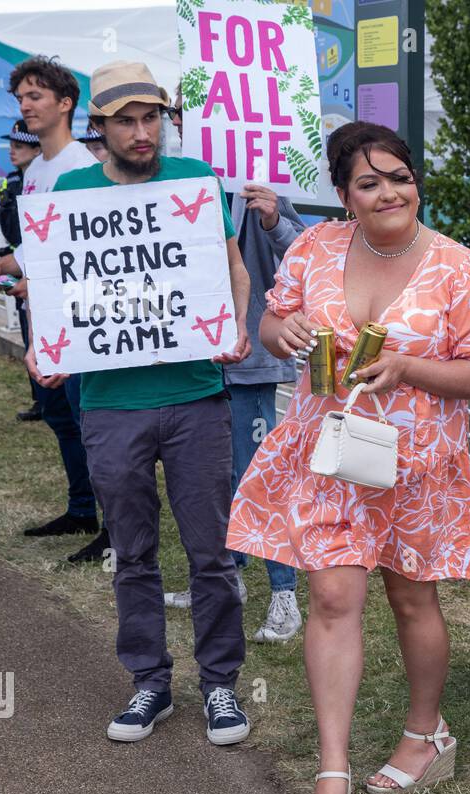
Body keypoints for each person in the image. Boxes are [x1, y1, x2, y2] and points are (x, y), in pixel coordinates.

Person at [227, 121, 470, 794]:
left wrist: (410, 368)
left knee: (412, 596)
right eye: (368, 181)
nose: (389, 191)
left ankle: (426, 734)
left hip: (418, 464)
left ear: (416, 181)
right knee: (331, 594)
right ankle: (333, 773)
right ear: (345, 195)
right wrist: (277, 332)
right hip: (330, 453)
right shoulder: (314, 246)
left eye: (399, 176)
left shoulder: (464, 268)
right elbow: (273, 315)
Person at [39, 61, 253, 745]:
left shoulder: (193, 181)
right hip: (110, 405)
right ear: (97, 127)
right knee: (131, 552)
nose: (141, 131)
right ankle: (150, 685)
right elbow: (57, 288)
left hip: (195, 397)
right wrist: (44, 347)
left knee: (211, 552)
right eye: (125, 120)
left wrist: (236, 325)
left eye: (150, 117)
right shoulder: (70, 189)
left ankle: (220, 685)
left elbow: (232, 267)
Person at [161, 89, 306, 643]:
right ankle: (229, 579)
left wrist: (272, 219)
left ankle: (286, 595)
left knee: (258, 475)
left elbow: (303, 257)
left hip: (248, 365)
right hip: (196, 361)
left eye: (182, 115)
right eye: (176, 116)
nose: (177, 125)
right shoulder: (182, 186)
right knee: (210, 476)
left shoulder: (262, 193)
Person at [0, 56, 108, 563]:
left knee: (88, 417)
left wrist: (38, 280)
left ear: (65, 102)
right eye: (21, 98)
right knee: (59, 414)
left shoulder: (81, 167)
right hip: (44, 313)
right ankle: (82, 510)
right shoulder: (40, 168)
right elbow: (39, 241)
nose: (25, 106)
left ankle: (114, 529)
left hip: (75, 318)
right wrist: (5, 262)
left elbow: (88, 250)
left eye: (34, 96)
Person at [0, 119, 43, 422]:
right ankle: (40, 399)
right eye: (11, 144)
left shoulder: (53, 176)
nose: (12, 151)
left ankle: (49, 398)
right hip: (19, 262)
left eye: (20, 145)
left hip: (39, 270)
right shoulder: (15, 182)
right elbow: (13, 230)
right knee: (28, 335)